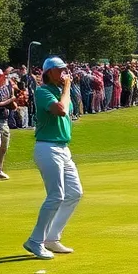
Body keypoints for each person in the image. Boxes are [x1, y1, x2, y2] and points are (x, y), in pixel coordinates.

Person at [24, 56, 84, 260]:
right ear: (48, 72)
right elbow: (61, 110)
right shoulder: (42, 91)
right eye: (60, 70)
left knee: (75, 192)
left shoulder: (59, 91)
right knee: (56, 196)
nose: (64, 74)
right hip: (47, 147)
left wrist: (66, 88)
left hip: (63, 148)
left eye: (65, 70)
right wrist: (67, 87)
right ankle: (35, 241)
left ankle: (51, 237)